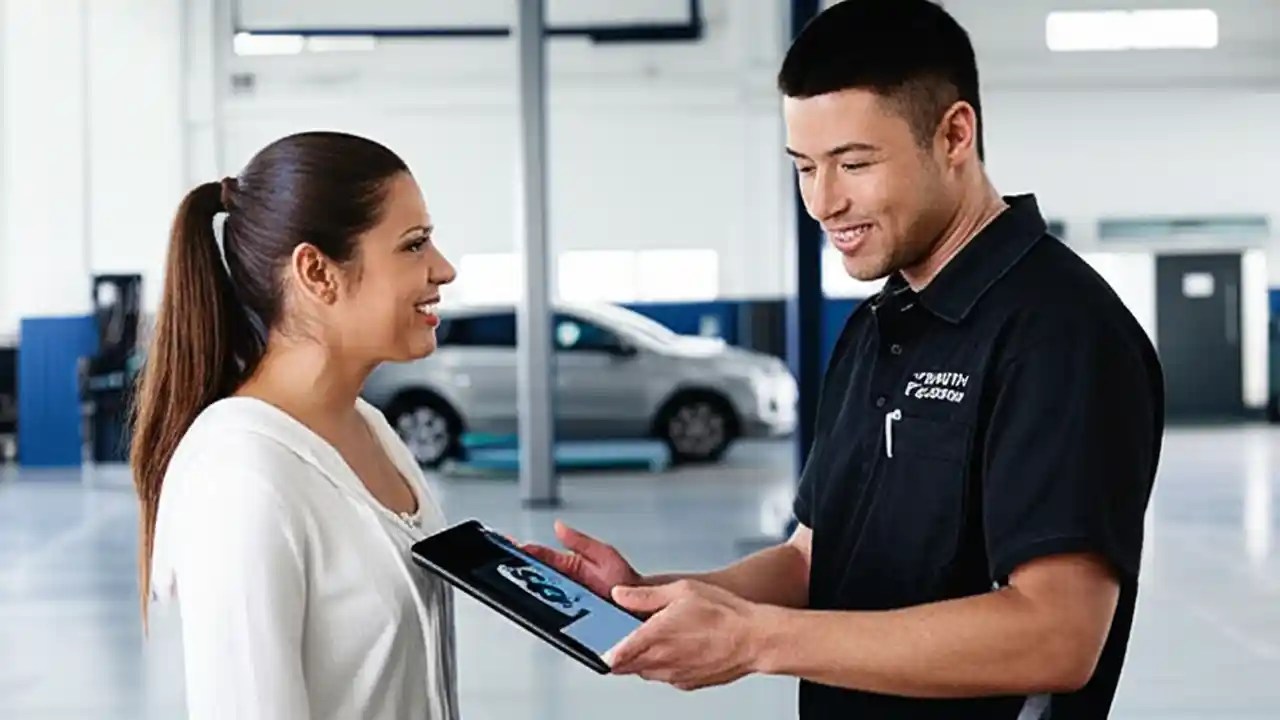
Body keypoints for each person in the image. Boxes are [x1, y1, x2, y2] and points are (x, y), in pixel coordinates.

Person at [521, 1, 1164, 718]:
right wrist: (650, 600)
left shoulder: (1060, 331)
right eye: (805, 168)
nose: (823, 202)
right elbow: (811, 559)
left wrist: (758, 640)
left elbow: (1056, 635)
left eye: (854, 164)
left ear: (955, 134)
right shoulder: (877, 326)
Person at [131, 131, 461, 719]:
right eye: (414, 245)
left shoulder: (369, 428)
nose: (444, 269)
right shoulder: (241, 477)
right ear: (317, 272)